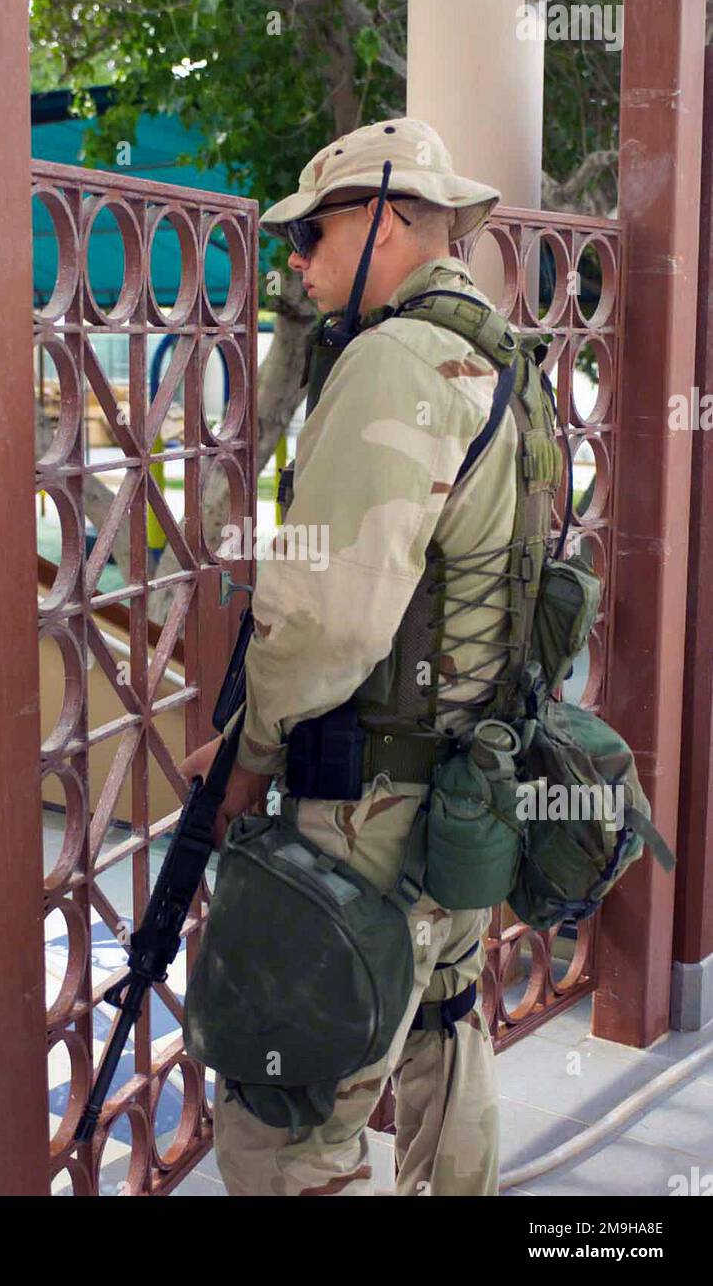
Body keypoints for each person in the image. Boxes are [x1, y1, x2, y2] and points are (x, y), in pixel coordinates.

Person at [179, 117, 512, 1196]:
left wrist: (246, 755)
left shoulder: (396, 361)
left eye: (314, 232)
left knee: (290, 1132)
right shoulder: (503, 359)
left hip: (364, 818)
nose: (296, 258)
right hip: (463, 797)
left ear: (383, 216)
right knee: (445, 1029)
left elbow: (325, 618)